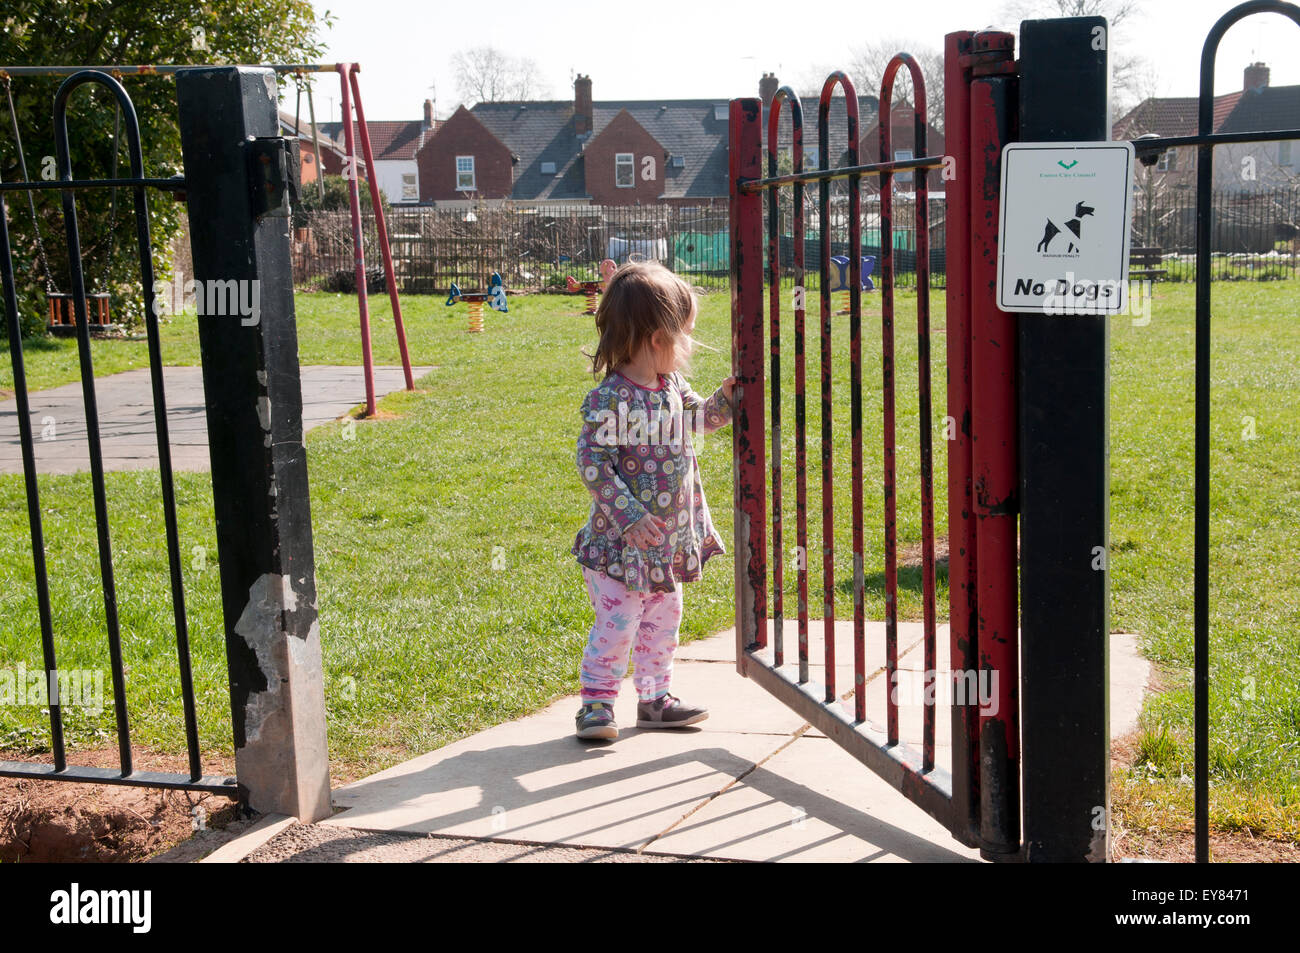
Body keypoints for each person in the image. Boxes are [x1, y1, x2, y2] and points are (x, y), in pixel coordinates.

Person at [572, 262, 734, 740]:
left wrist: (723, 400)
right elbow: (592, 461)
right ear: (657, 338)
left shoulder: (671, 388)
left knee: (663, 622)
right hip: (620, 546)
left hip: (665, 542)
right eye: (684, 336)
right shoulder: (611, 399)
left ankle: (654, 699)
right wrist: (628, 515)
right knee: (619, 623)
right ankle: (596, 704)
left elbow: (698, 420)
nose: (688, 348)